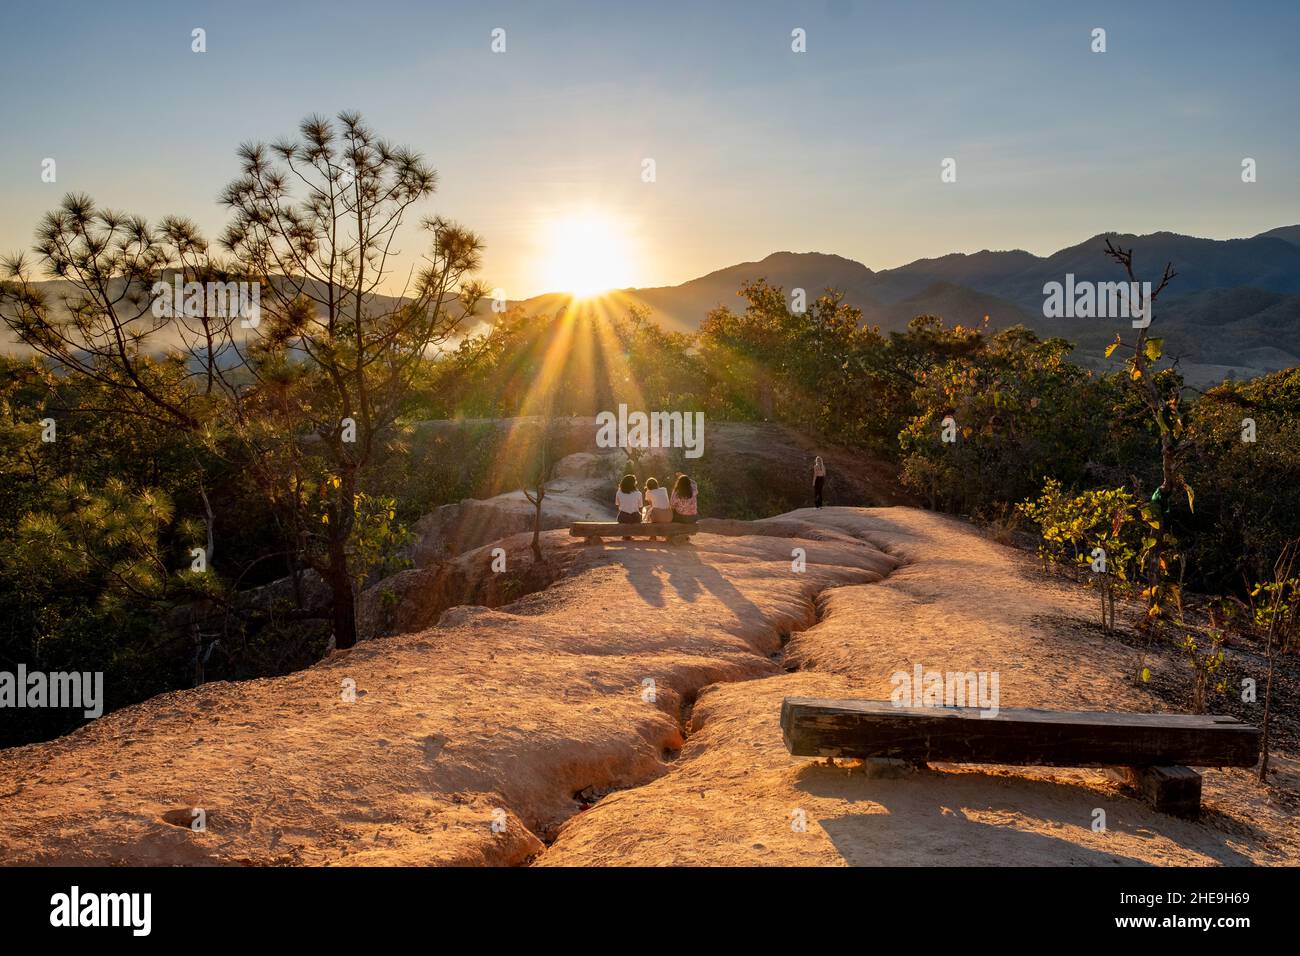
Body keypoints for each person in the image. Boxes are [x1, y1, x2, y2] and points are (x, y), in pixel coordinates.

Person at [615, 474, 643, 540]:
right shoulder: (638, 493)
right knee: (635, 516)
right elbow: (640, 506)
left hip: (623, 516)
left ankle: (625, 535)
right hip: (635, 517)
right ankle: (628, 535)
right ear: (633, 483)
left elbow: (617, 505)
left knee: (622, 516)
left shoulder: (619, 492)